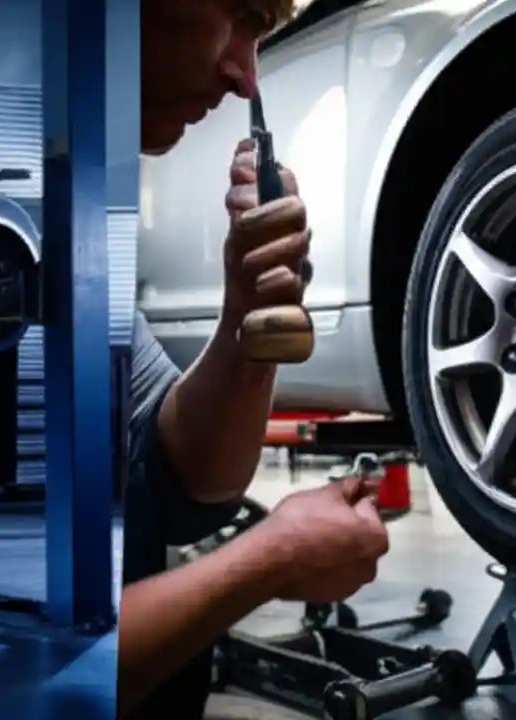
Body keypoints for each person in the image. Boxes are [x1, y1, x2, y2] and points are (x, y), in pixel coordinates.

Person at [120, 1, 392, 717]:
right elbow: (7, 677)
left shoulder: (83, 221)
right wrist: (266, 561)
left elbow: (187, 478)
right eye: (236, 16)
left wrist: (246, 307)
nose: (245, 78)